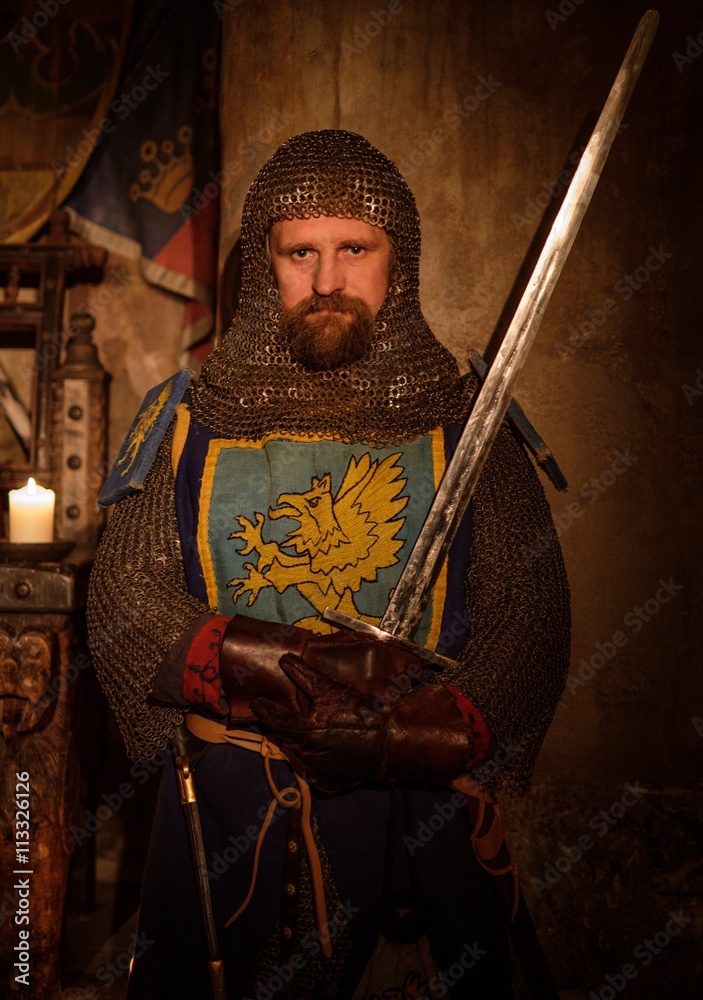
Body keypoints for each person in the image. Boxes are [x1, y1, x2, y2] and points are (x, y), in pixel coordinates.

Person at [87, 129, 570, 999]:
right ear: (264, 268)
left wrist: (406, 735)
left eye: (354, 249)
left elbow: (529, 619)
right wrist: (284, 665)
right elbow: (125, 601)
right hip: (227, 804)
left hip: (416, 809)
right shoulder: (189, 419)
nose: (326, 281)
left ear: (397, 262)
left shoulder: (466, 421)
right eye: (299, 253)